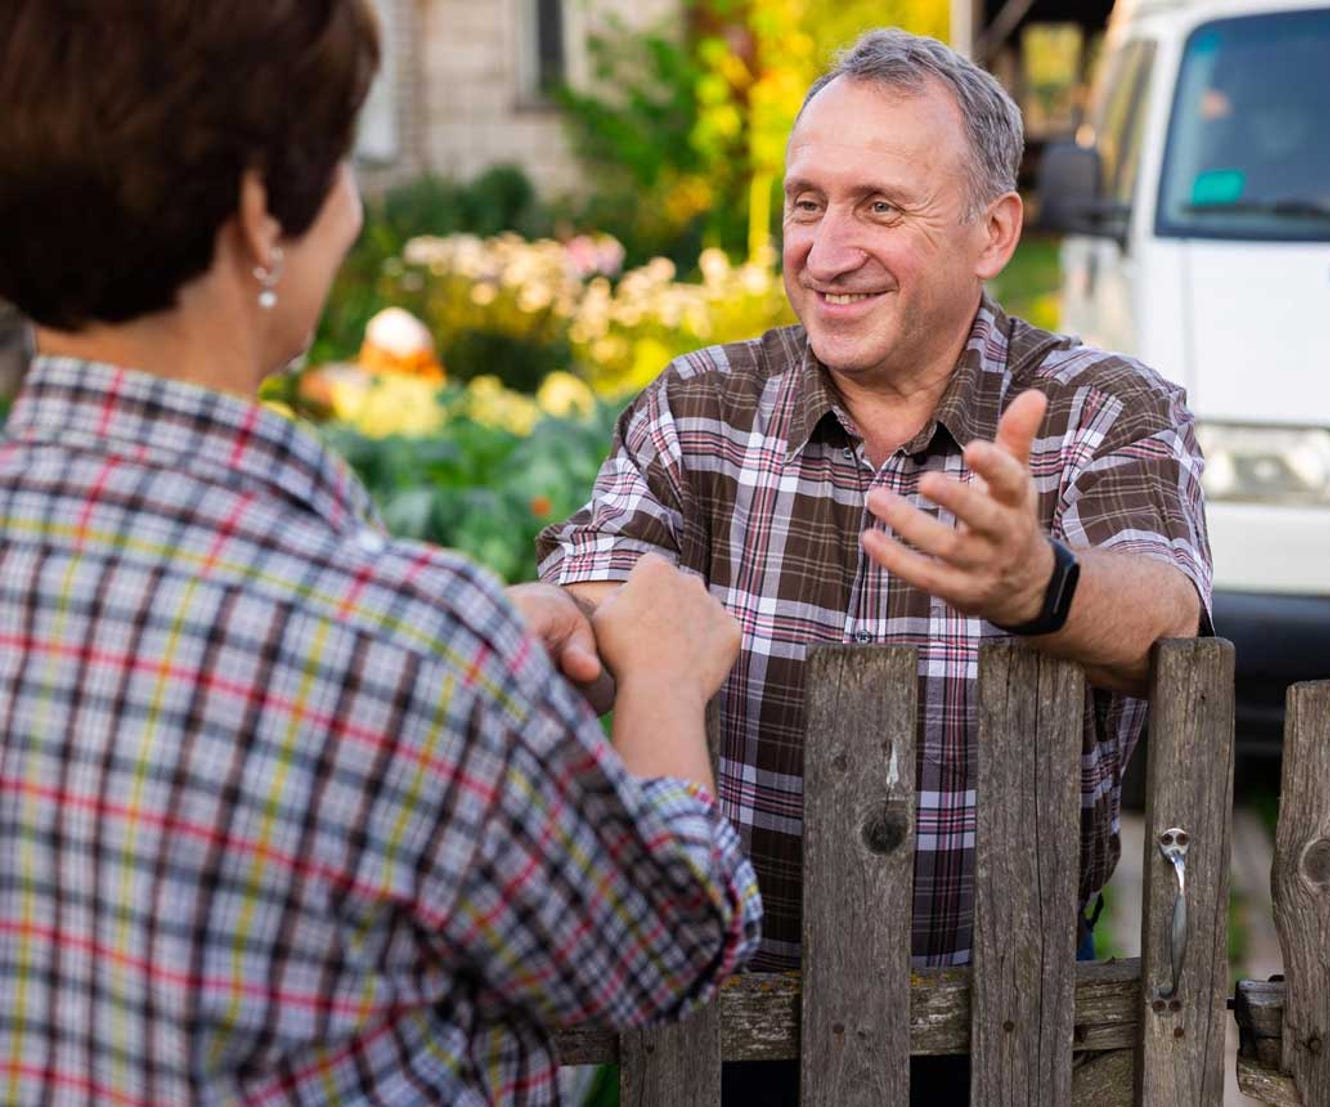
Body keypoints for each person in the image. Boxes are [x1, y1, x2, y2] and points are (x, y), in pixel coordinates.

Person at [0, 3, 760, 1104]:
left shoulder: (401, 650)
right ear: (264, 212)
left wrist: (455, 654)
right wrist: (665, 679)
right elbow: (666, 944)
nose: (350, 208)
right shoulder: (399, 655)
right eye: (340, 157)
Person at [539, 28, 1211, 1102]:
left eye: (879, 207)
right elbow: (596, 578)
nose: (826, 248)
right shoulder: (698, 406)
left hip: (1008, 1006)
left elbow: (1168, 620)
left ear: (992, 233)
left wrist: (1040, 587)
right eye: (806, 204)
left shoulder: (1098, 411)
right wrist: (543, 608)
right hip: (727, 1007)